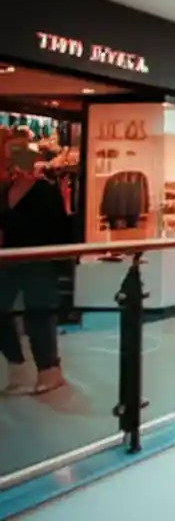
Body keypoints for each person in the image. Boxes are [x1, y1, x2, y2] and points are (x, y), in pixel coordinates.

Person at [1, 140, 73, 394]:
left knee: (38, 315)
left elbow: (60, 229)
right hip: (10, 260)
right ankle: (17, 365)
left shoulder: (45, 191)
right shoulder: (8, 189)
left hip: (39, 262)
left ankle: (48, 370)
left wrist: (59, 262)